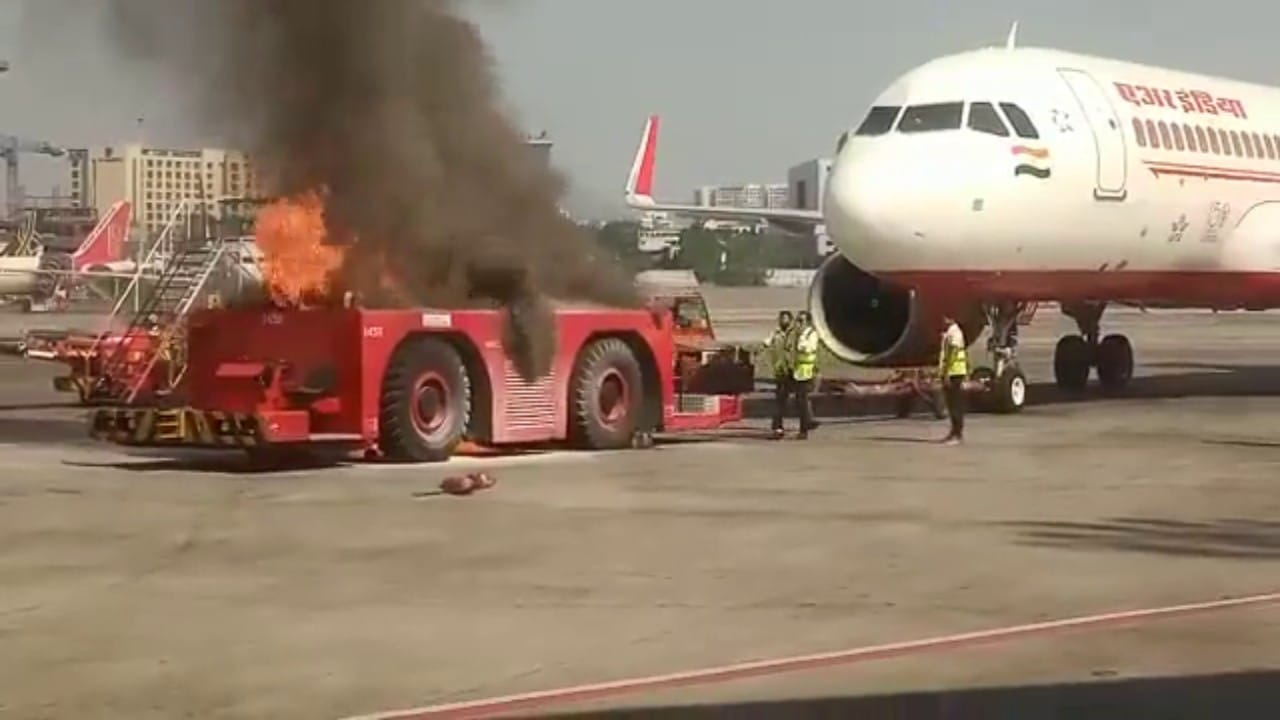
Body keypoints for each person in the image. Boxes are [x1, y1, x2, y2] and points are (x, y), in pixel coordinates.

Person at [938, 313, 969, 445]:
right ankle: (953, 432)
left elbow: (953, 352)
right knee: (951, 404)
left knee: (955, 404)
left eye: (945, 317)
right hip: (953, 371)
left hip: (954, 372)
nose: (943, 320)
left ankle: (957, 434)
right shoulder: (950, 332)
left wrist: (946, 372)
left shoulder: (955, 333)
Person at [763, 310, 795, 439]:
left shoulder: (795, 335)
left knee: (801, 400)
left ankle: (806, 424)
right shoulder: (775, 334)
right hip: (781, 372)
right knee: (780, 401)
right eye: (781, 319)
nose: (783, 321)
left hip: (795, 371)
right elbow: (765, 344)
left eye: (786, 319)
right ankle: (777, 427)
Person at [789, 310, 820, 439]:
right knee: (800, 401)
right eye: (798, 320)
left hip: (808, 370)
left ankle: (807, 425)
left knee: (803, 399)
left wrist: (801, 342)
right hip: (798, 371)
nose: (798, 323)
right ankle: (807, 424)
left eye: (801, 321)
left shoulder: (811, 334)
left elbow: (808, 348)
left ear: (807, 322)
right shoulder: (797, 334)